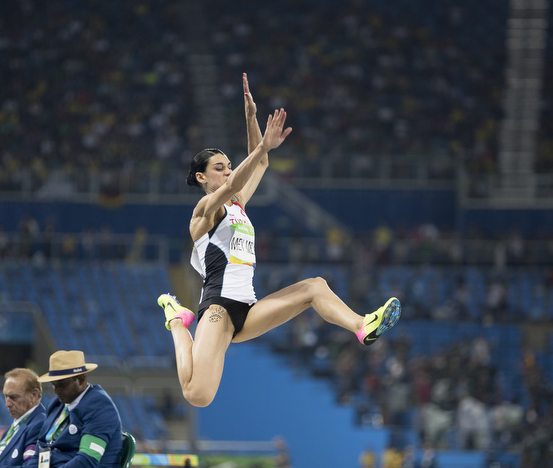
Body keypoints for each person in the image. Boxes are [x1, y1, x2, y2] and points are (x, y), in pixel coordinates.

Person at [157, 73, 401, 408]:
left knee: (315, 286)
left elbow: (262, 163)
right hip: (218, 308)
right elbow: (243, 173)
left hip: (249, 307)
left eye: (229, 166)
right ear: (202, 177)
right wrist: (260, 146)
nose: (228, 172)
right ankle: (176, 318)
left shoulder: (238, 205)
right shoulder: (203, 211)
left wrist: (250, 118)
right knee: (197, 395)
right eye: (219, 168)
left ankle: (362, 326)